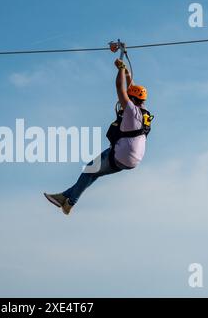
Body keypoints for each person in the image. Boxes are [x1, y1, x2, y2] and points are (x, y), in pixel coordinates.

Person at [44, 57, 152, 215]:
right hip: (134, 159)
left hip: (121, 154)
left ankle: (70, 201)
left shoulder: (130, 109)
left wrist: (120, 70)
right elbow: (132, 87)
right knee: (94, 172)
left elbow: (120, 88)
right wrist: (127, 73)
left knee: (90, 169)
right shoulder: (143, 111)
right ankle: (64, 198)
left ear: (133, 99)